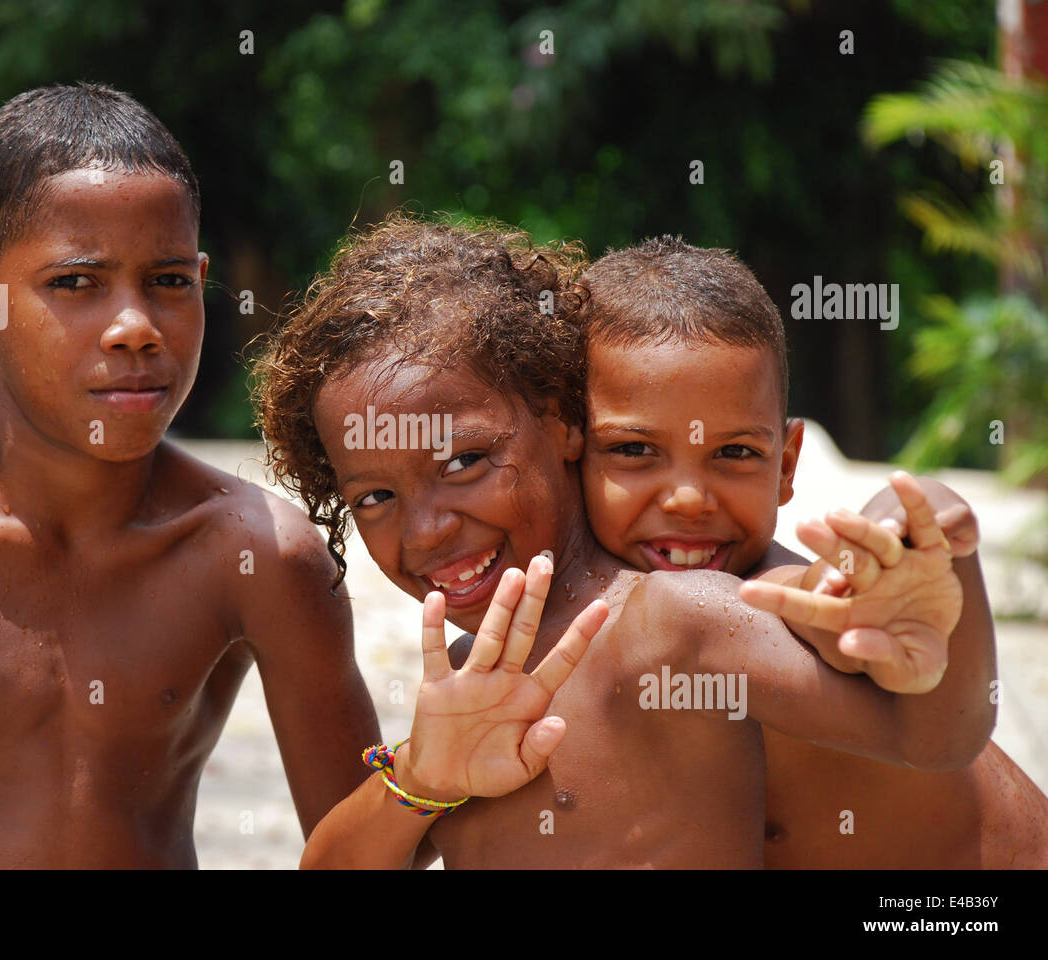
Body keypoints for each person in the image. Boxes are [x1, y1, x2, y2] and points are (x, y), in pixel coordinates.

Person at [0, 83, 379, 868]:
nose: (136, 328)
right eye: (75, 283)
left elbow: (365, 856)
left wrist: (429, 773)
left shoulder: (260, 555)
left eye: (170, 280)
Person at [255, 214, 973, 868]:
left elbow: (932, 737)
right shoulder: (472, 677)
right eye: (375, 497)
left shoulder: (677, 619)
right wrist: (419, 780)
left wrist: (932, 529)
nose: (428, 527)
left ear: (566, 421)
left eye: (464, 462)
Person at [578, 236, 1048, 867]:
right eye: (634, 450)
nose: (689, 498)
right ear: (569, 449)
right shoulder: (579, 619)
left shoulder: (796, 606)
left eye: (735, 453)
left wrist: (908, 526)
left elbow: (846, 592)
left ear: (787, 463)